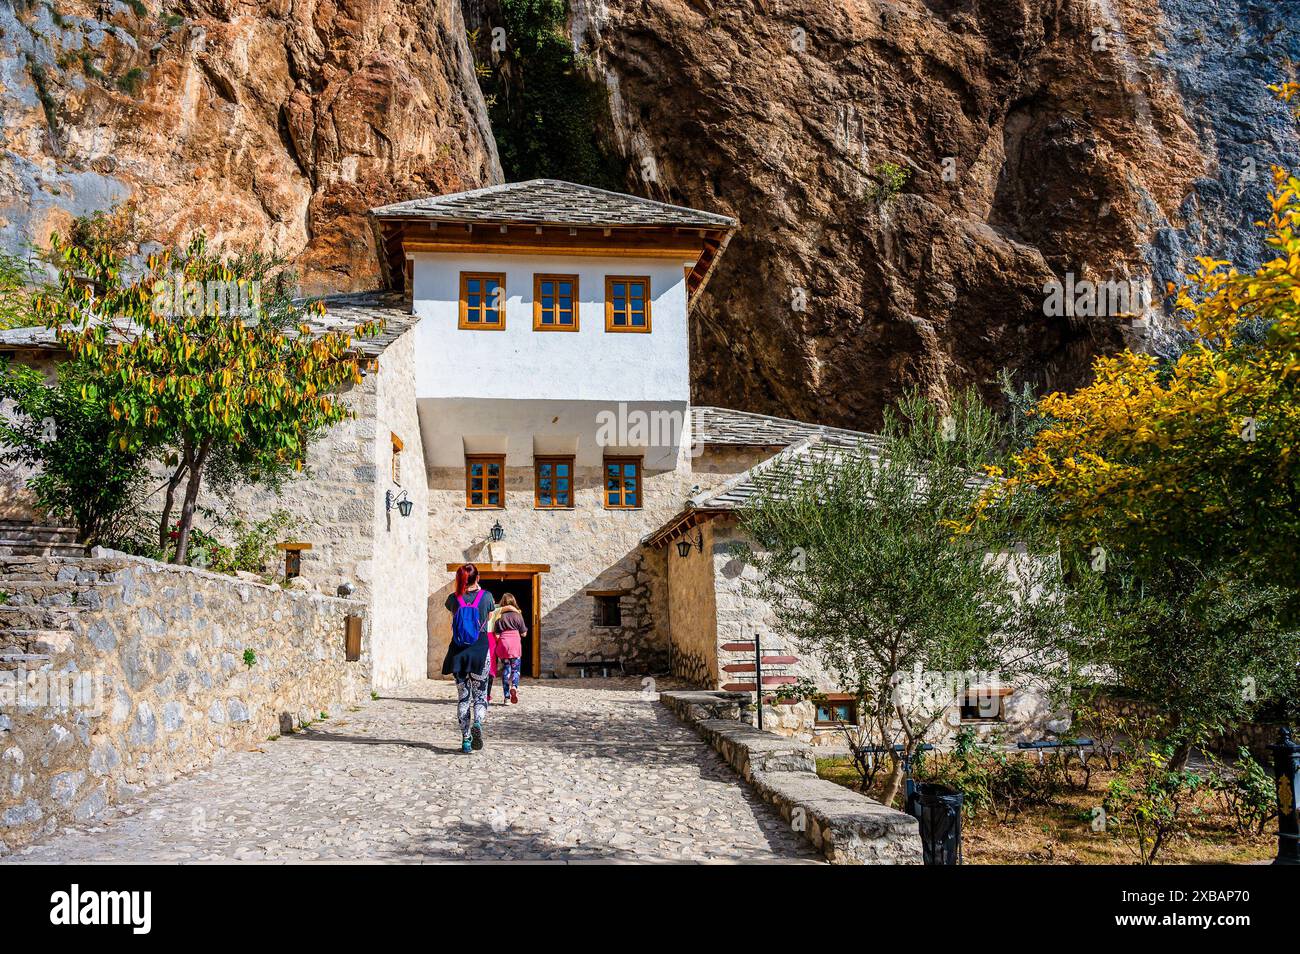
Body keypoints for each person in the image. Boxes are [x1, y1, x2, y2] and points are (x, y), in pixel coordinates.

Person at [442, 564, 495, 753]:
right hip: (480, 650)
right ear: (477, 578)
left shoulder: (453, 599)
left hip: (458, 653)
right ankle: (478, 722)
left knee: (463, 698)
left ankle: (466, 740)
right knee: (480, 696)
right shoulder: (487, 597)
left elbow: (453, 613)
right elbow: (488, 617)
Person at [492, 592, 527, 705]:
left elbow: (496, 635)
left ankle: (507, 697)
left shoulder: (499, 616)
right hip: (515, 643)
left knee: (506, 669)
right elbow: (524, 633)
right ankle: (514, 687)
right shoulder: (518, 615)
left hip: (504, 643)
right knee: (515, 669)